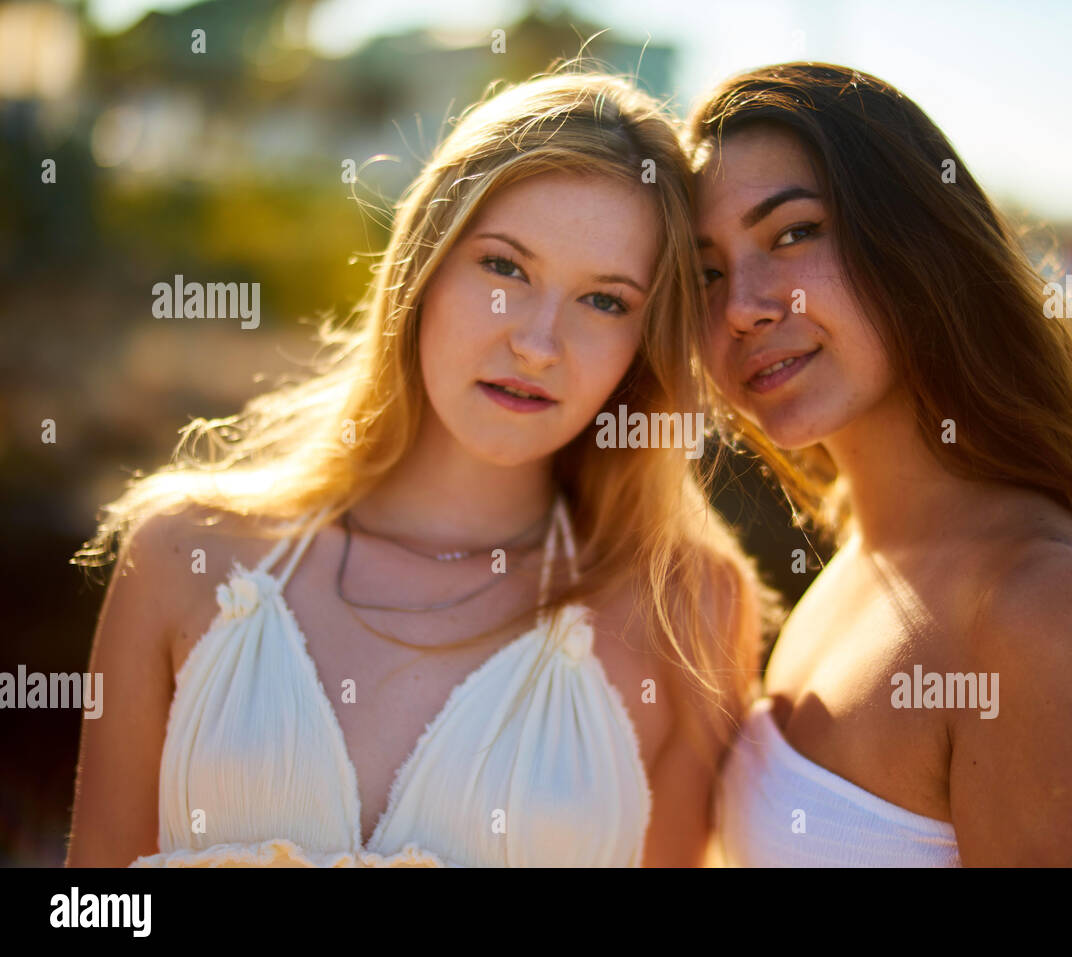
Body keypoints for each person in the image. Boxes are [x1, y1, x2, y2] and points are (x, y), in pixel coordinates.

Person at [65, 69, 767, 867]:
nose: (538, 342)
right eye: (505, 268)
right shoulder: (184, 553)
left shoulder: (682, 610)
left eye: (605, 301)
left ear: (642, 346)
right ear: (426, 265)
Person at [688, 62, 1072, 866]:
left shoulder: (1038, 605)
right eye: (706, 272)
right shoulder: (860, 550)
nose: (742, 305)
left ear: (916, 242)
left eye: (794, 232)